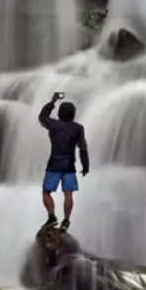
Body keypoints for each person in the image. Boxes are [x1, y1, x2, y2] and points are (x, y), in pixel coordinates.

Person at [37, 92, 89, 230]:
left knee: (46, 192)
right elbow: (83, 148)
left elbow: (42, 117)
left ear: (60, 113)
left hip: (54, 165)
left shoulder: (54, 125)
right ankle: (66, 221)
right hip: (69, 167)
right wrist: (86, 166)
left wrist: (52, 101)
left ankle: (52, 217)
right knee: (68, 194)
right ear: (73, 114)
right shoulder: (78, 128)